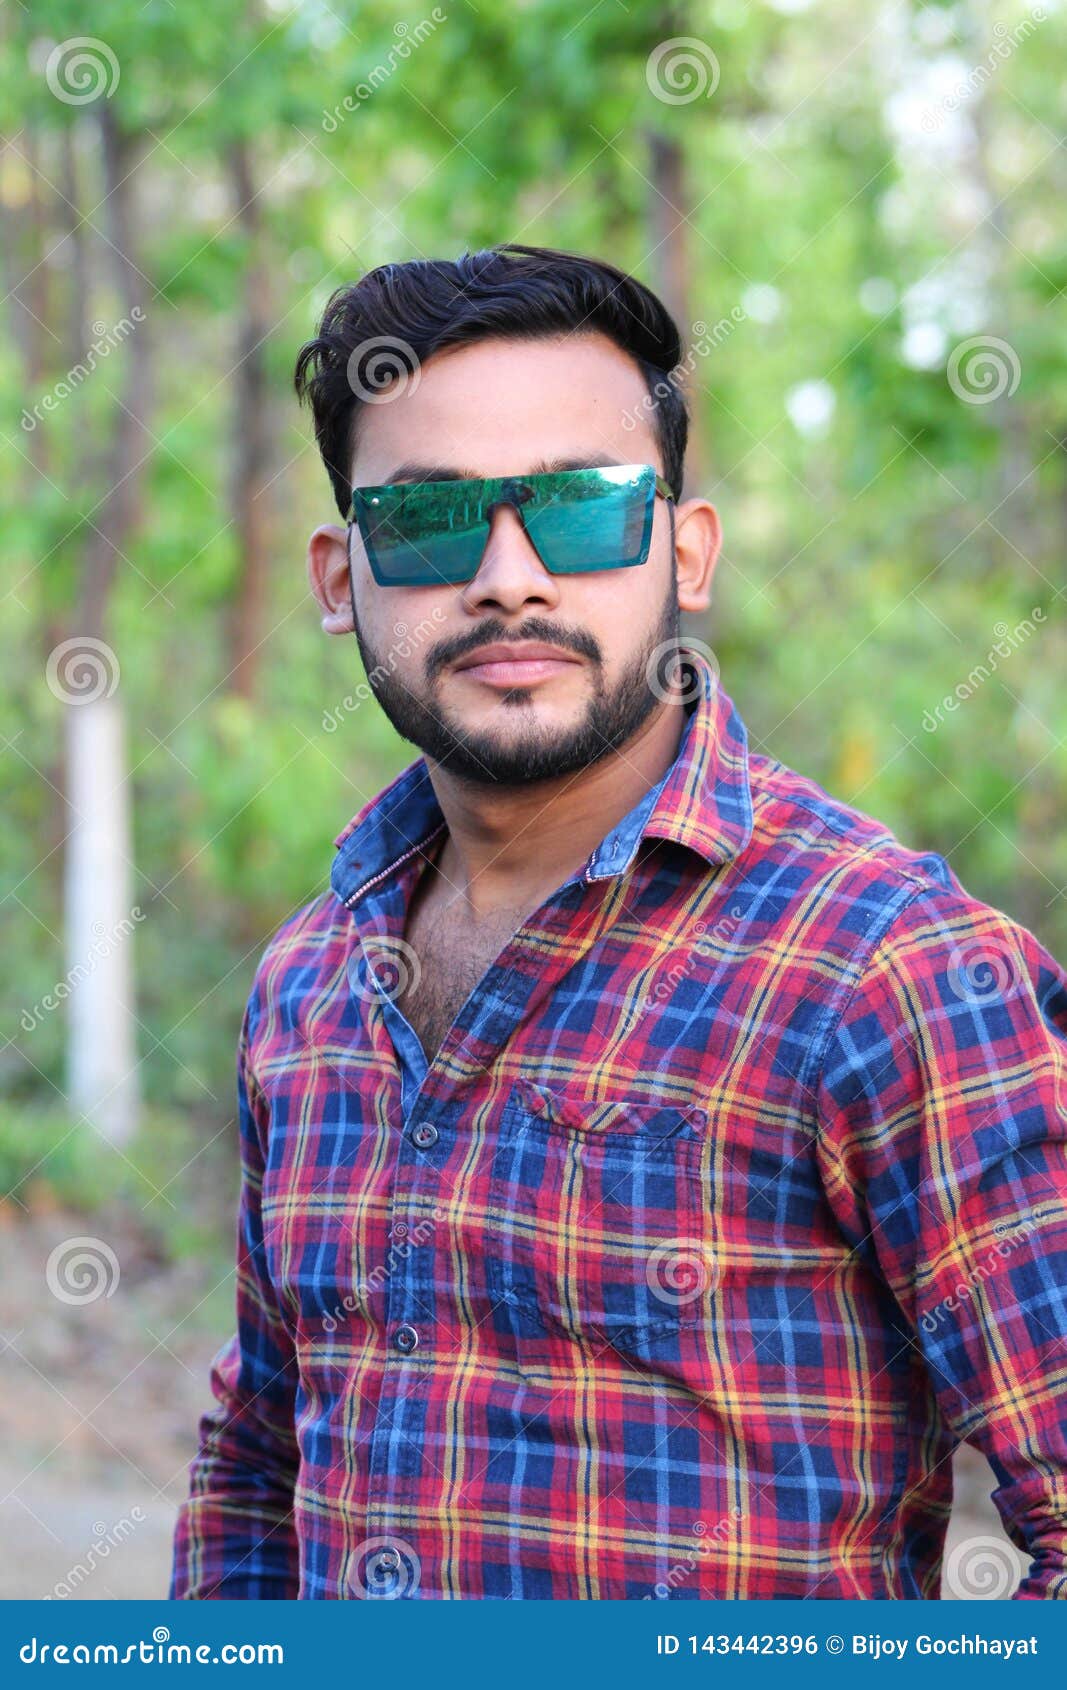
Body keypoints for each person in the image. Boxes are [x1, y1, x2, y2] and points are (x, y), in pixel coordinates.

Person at [171, 244, 1067, 1600]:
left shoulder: (888, 967)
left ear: (684, 550)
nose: (510, 577)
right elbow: (255, 1458)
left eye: (582, 511)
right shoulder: (310, 982)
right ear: (338, 576)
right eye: (430, 523)